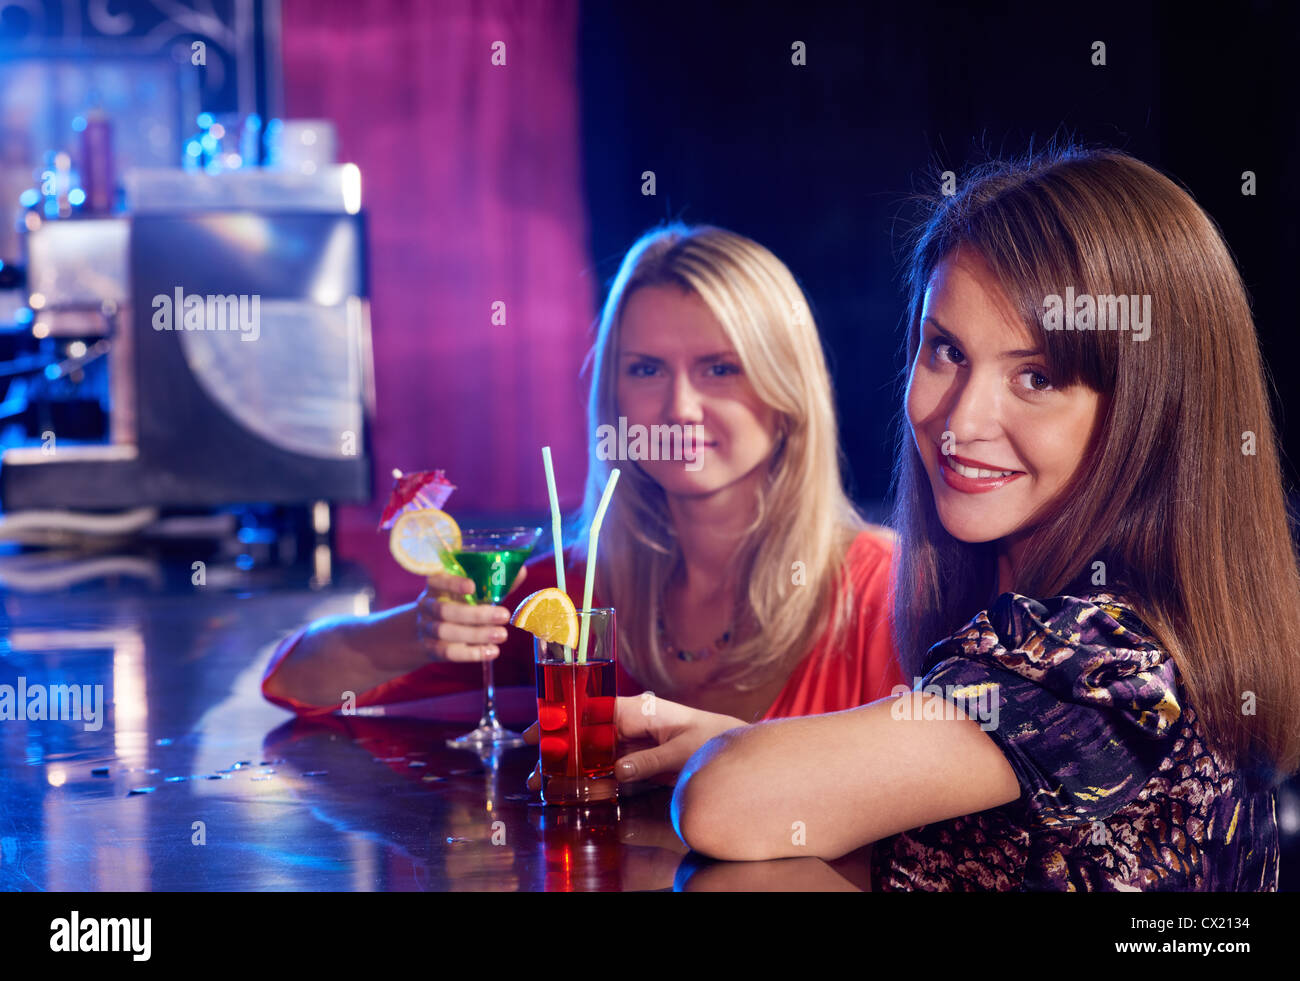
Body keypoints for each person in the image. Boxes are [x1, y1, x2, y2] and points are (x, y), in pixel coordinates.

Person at [658, 148, 1299, 890]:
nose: (961, 420)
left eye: (1036, 377)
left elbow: (723, 802)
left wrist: (740, 758)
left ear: (1152, 414)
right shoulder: (1100, 623)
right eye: (947, 351)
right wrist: (757, 745)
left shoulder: (1107, 663)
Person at [262, 224, 904, 784]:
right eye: (647, 370)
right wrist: (423, 630)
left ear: (788, 394)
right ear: (614, 399)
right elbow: (295, 679)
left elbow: (957, 809)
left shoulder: (887, 591)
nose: (679, 408)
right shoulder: (572, 591)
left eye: (720, 368)